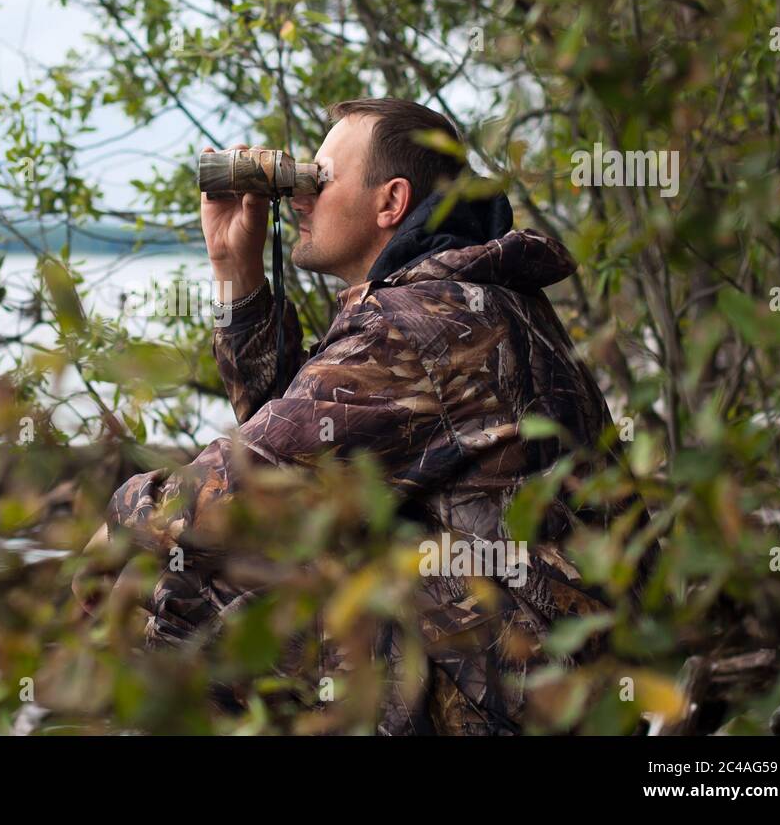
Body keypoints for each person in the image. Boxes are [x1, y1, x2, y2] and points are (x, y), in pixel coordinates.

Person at [81, 97, 625, 734]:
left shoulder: (422, 324)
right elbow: (298, 456)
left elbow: (245, 490)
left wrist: (117, 521)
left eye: (319, 178)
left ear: (390, 202)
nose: (298, 198)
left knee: (181, 594)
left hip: (518, 691)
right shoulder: (463, 298)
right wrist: (236, 271)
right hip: (552, 670)